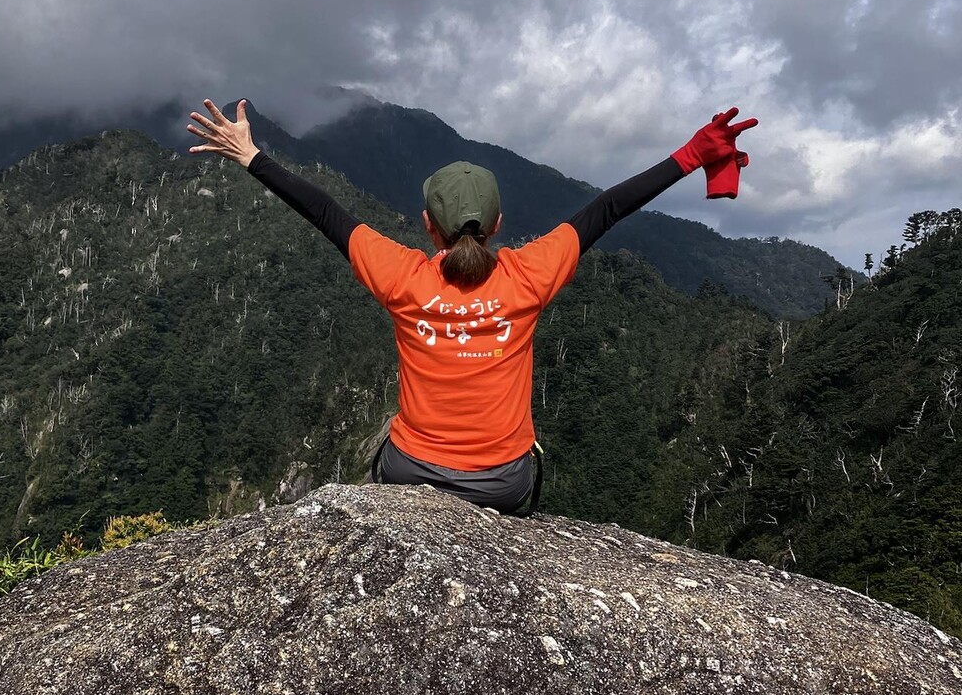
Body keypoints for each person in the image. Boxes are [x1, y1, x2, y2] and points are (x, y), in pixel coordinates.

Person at [187, 98, 757, 513]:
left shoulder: (402, 277)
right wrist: (692, 155)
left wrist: (251, 155)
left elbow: (326, 212)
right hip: (502, 483)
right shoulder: (528, 276)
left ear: (426, 225)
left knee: (386, 447)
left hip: (410, 473)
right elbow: (608, 209)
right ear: (498, 224)